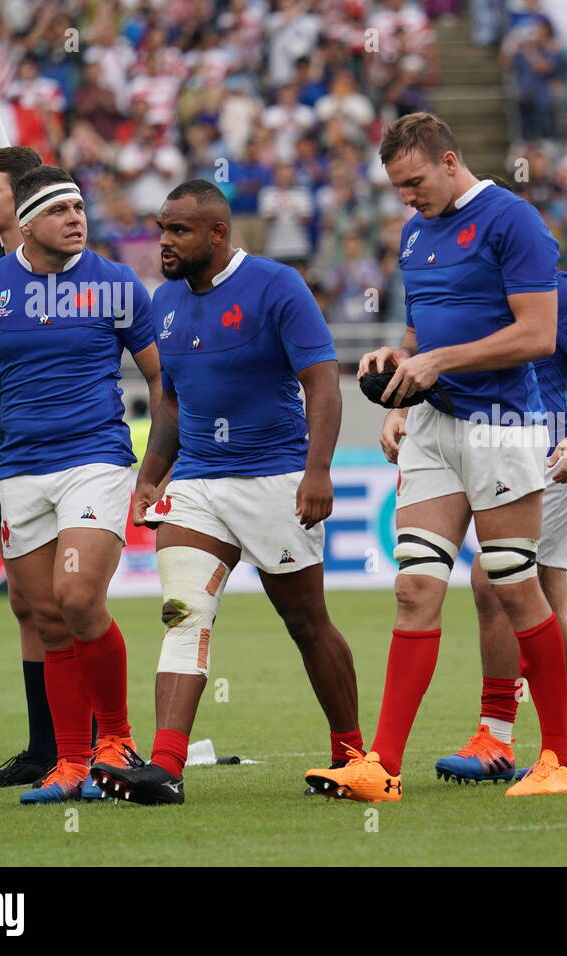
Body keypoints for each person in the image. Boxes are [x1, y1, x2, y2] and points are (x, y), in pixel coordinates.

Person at [304, 112, 567, 800]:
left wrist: (438, 360)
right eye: (397, 187)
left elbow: (539, 334)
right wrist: (400, 374)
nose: (406, 197)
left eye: (415, 182)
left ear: (450, 161)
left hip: (501, 425)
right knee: (414, 587)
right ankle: (382, 766)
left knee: (515, 587)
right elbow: (421, 330)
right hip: (433, 423)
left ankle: (560, 761)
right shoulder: (415, 230)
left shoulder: (513, 221)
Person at [90, 179, 363, 805]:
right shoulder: (163, 302)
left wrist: (317, 472)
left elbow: (322, 384)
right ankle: (165, 768)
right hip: (198, 482)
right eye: (162, 227)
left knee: (306, 621)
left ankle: (351, 754)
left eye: (178, 230)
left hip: (275, 478)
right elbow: (173, 399)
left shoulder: (277, 285)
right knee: (183, 614)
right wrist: (152, 473)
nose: (164, 241)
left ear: (217, 234)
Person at [0, 165, 162, 804]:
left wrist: (160, 463)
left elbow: (162, 377)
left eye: (80, 207)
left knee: (78, 597)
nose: (77, 218)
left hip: (96, 459)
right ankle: (72, 764)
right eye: (61, 210)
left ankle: (116, 739)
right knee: (50, 621)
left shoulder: (115, 282)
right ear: (26, 223)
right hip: (20, 470)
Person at [416, 268, 567, 783]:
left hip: (545, 454)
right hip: (492, 448)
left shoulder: (553, 285)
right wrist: (404, 412)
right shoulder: (458, 285)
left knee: (494, 580)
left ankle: (497, 738)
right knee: (546, 603)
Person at [0, 145, 60, 789]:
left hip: (57, 449)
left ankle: (88, 742)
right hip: (7, 445)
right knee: (26, 601)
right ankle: (44, 744)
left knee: (63, 603)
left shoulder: (59, 268)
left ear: (22, 199)